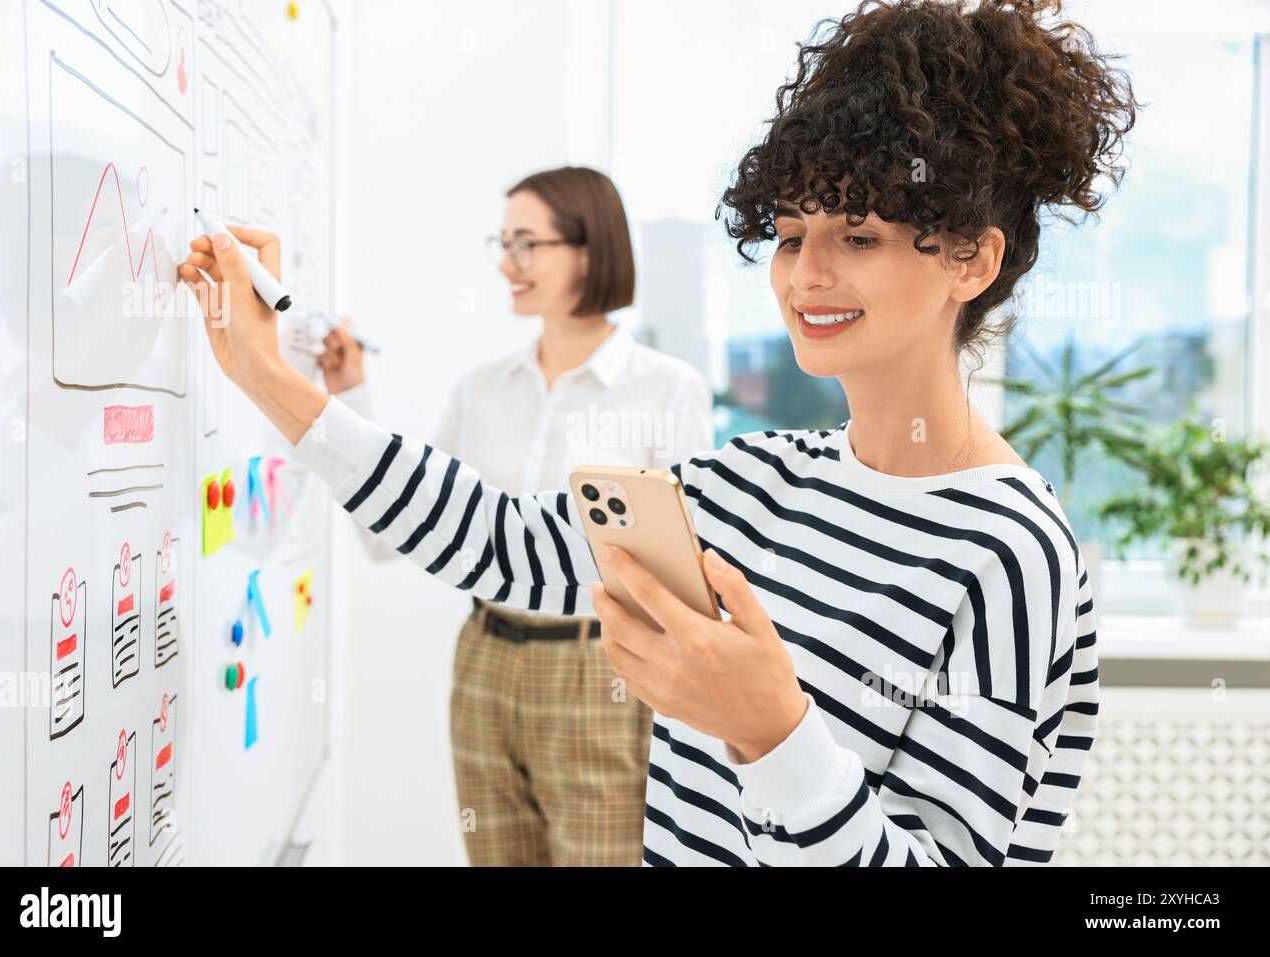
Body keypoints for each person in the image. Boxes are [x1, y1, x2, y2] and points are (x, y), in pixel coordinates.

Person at [180, 0, 1134, 865]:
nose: (805, 276)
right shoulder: (756, 483)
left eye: (859, 235)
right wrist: (266, 376)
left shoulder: (1010, 552)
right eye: (792, 234)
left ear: (971, 259)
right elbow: (509, 542)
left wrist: (772, 731)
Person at [311, 167, 713, 866]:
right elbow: (389, 535)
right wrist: (349, 397)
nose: (506, 263)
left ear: (589, 249)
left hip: (604, 669)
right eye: (502, 242)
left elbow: (689, 574)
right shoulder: (481, 391)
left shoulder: (667, 390)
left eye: (526, 243)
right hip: (484, 661)